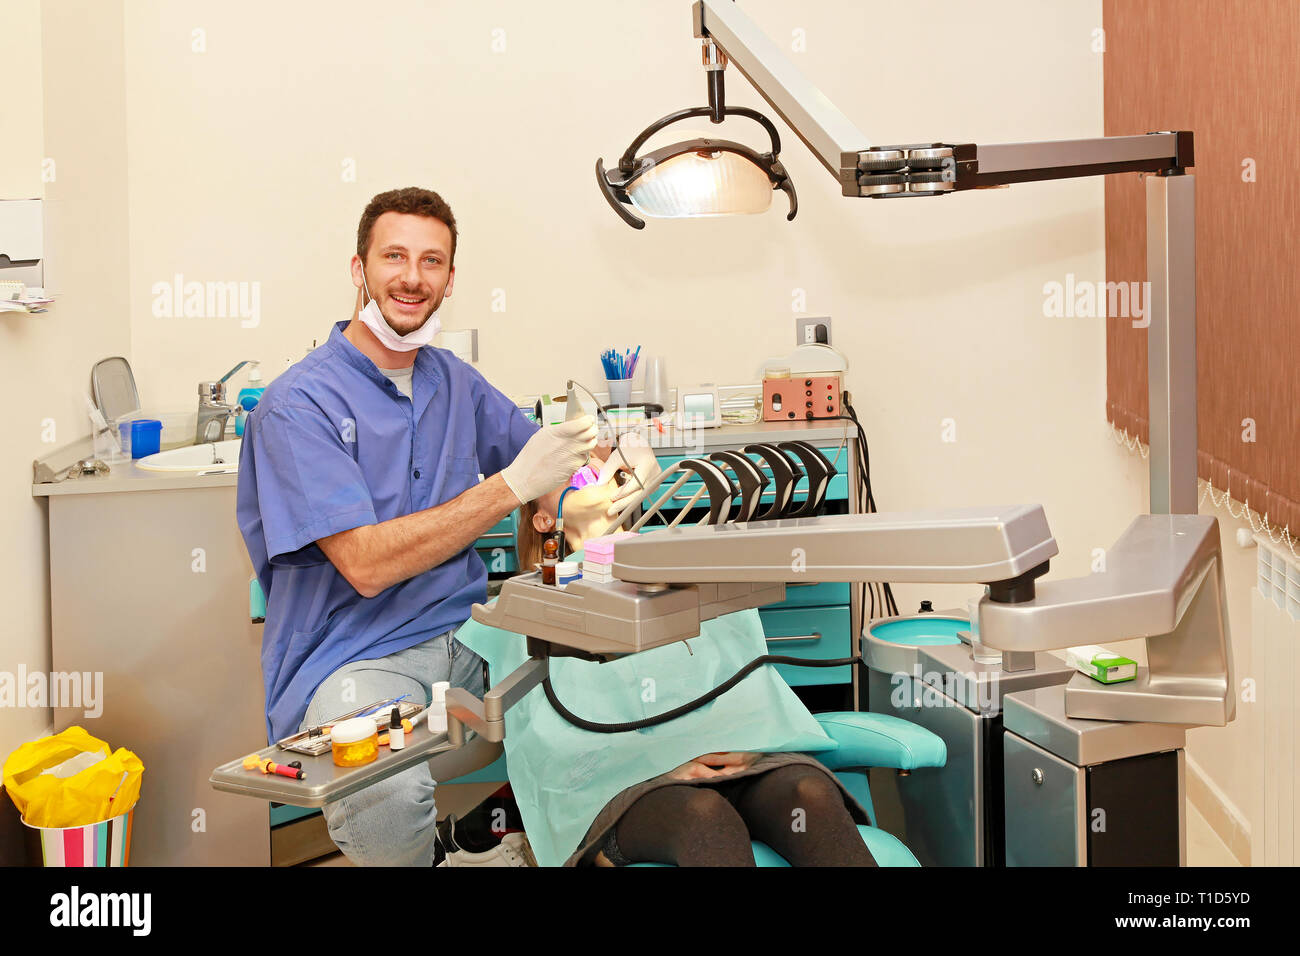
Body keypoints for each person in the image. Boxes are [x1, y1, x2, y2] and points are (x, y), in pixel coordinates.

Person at [236, 186, 597, 866]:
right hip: (354, 656)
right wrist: (512, 487)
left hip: (470, 640)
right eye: (394, 256)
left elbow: (547, 461)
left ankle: (490, 841)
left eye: (432, 262)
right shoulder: (296, 406)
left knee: (618, 693)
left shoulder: (451, 380)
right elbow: (366, 565)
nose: (411, 277)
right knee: (385, 792)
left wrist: (581, 487)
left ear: (451, 280)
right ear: (358, 269)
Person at [491, 448, 877, 867]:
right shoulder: (530, 604)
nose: (587, 469)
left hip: (740, 761)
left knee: (811, 795)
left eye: (591, 460)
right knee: (706, 818)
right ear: (544, 519)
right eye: (563, 470)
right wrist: (664, 767)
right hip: (628, 789)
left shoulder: (685, 568)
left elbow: (749, 683)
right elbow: (550, 750)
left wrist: (750, 745)